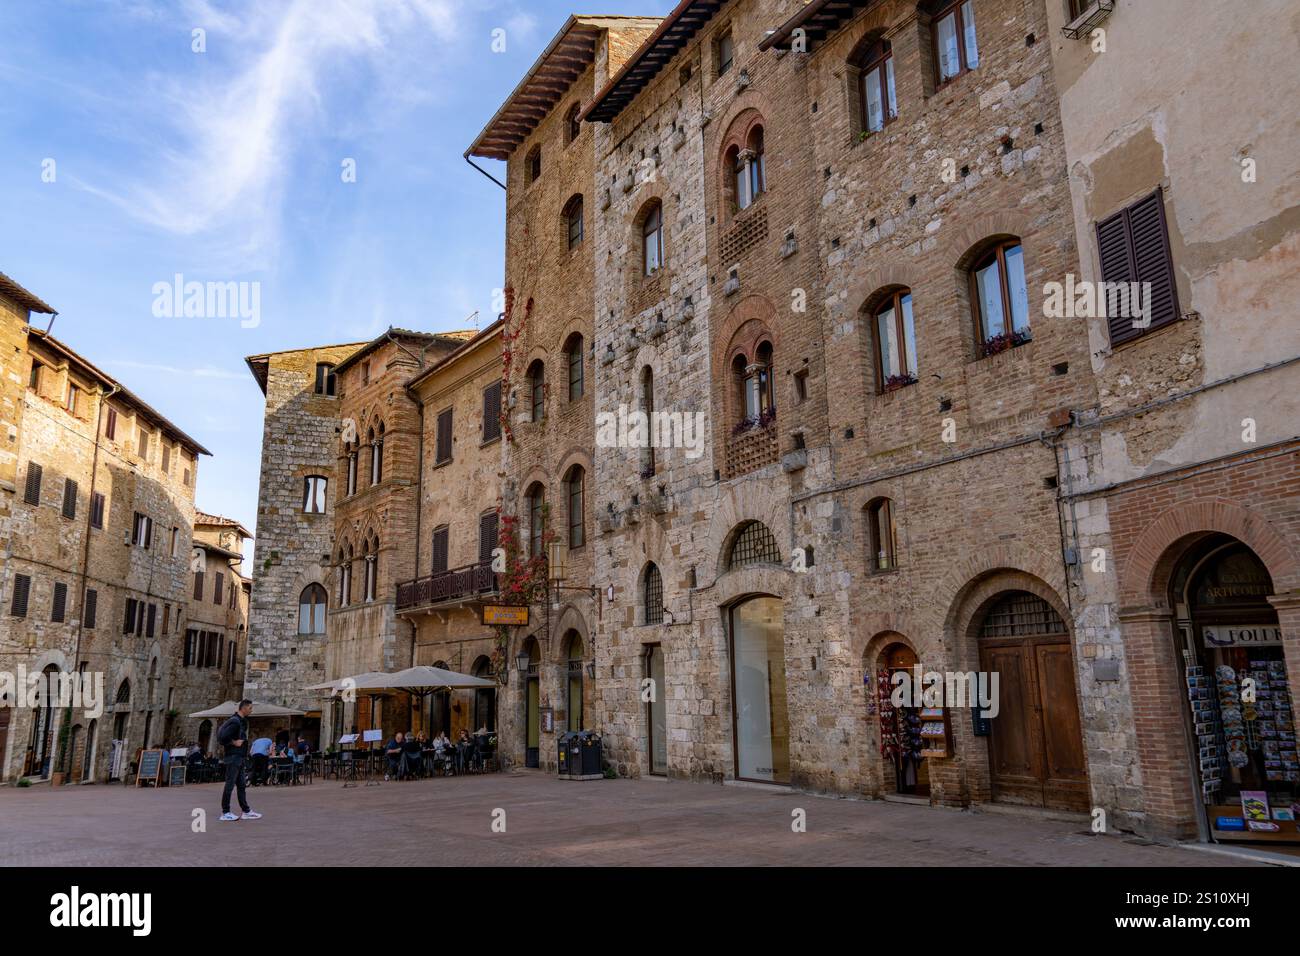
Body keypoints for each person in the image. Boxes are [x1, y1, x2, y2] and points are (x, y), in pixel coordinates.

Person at [216, 700, 262, 822]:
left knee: (241, 785)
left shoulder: (240, 721)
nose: (251, 710)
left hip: (239, 757)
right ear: (244, 708)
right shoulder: (235, 722)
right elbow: (221, 737)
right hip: (233, 757)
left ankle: (246, 811)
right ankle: (225, 812)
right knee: (230, 785)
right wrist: (233, 742)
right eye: (250, 708)